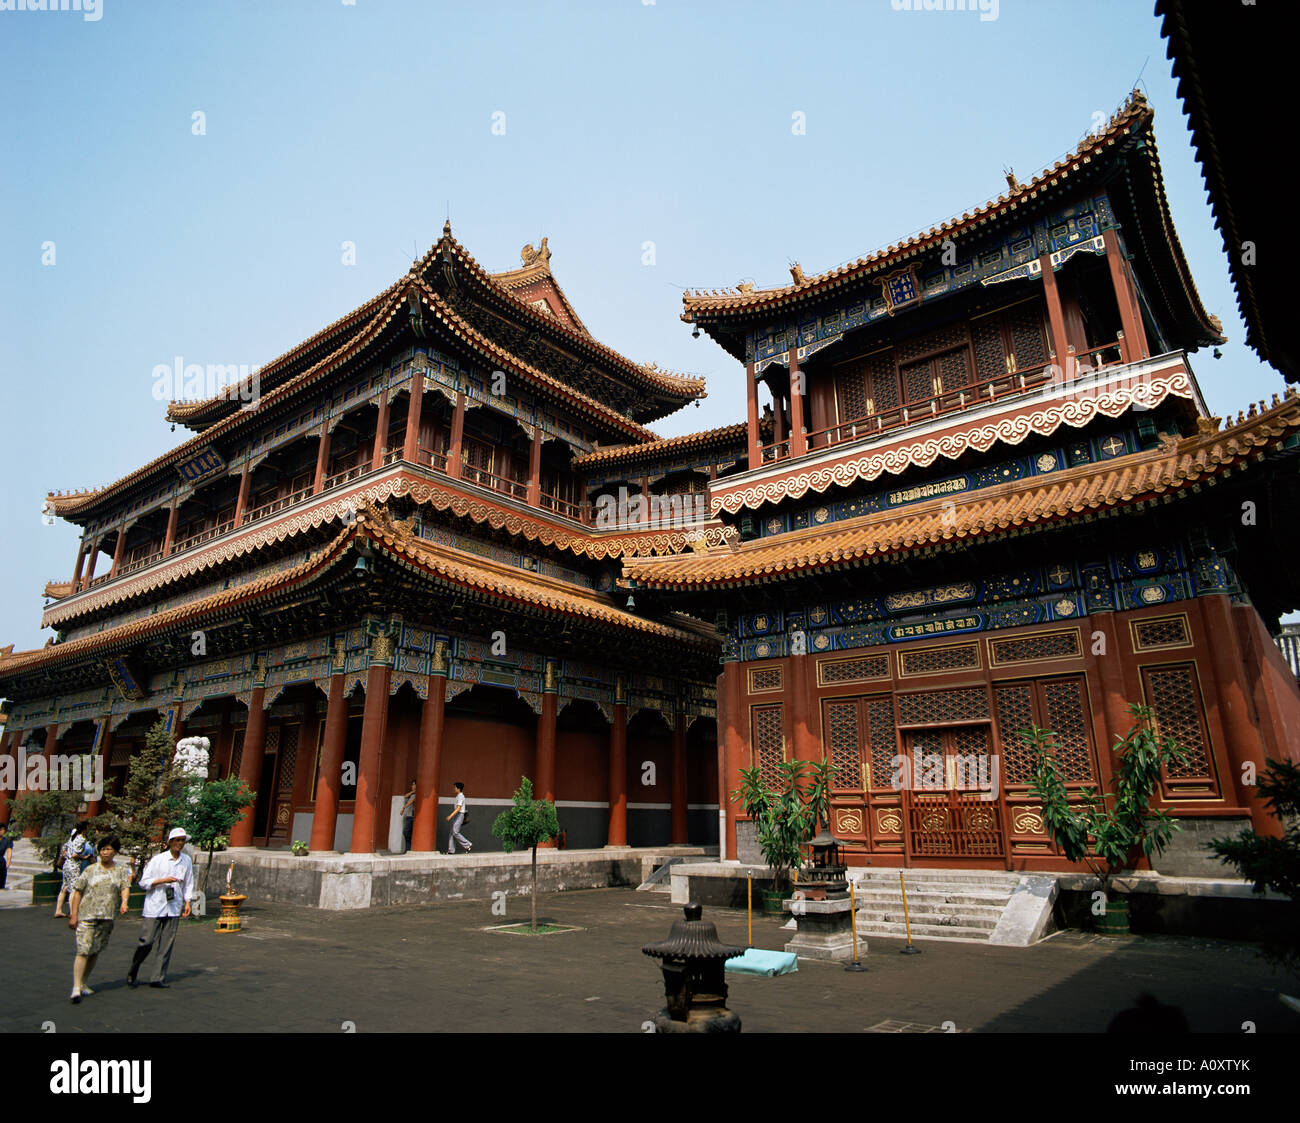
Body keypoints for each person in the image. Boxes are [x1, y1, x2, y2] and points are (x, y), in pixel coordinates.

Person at [67, 834, 131, 1003]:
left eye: (108, 849)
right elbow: (78, 891)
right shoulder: (90, 870)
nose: (104, 852)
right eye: (102, 849)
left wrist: (124, 902)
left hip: (107, 916)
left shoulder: (120, 871)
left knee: (95, 950)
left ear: (115, 851)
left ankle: (83, 983)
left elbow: (125, 887)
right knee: (83, 949)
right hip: (87, 915)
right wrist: (73, 915)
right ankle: (75, 987)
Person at [128, 827, 194, 989]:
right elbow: (143, 882)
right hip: (155, 905)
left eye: (182, 841)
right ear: (170, 842)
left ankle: (157, 977)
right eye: (177, 840)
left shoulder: (186, 860)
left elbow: (189, 882)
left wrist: (188, 902)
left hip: (174, 905)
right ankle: (135, 966)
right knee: (146, 941)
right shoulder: (158, 860)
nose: (180, 844)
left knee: (166, 944)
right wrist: (162, 880)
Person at [54, 824, 94, 918]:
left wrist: (66, 855)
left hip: (66, 864)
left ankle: (58, 910)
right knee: (74, 889)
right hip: (74, 865)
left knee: (64, 887)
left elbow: (64, 850)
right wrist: (84, 857)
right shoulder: (81, 839)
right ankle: (72, 912)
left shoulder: (71, 838)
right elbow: (75, 854)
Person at [444, 780, 472, 854]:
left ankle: (467, 844)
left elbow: (458, 808)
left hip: (459, 815)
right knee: (452, 832)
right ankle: (451, 850)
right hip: (457, 815)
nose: (454, 789)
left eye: (455, 787)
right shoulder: (458, 796)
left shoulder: (461, 797)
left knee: (455, 832)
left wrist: (450, 816)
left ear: (458, 789)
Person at [400, 781, 416, 852]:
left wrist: (403, 808)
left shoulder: (415, 795)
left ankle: (408, 849)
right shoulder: (412, 794)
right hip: (408, 816)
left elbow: (411, 802)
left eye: (413, 785)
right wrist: (412, 792)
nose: (412, 786)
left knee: (406, 832)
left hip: (411, 816)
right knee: (408, 833)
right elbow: (405, 796)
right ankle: (407, 849)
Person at [0, 824, 13, 890]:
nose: (2, 831)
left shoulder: (7, 841)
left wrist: (8, 861)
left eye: (3, 830)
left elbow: (9, 850)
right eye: (1, 830)